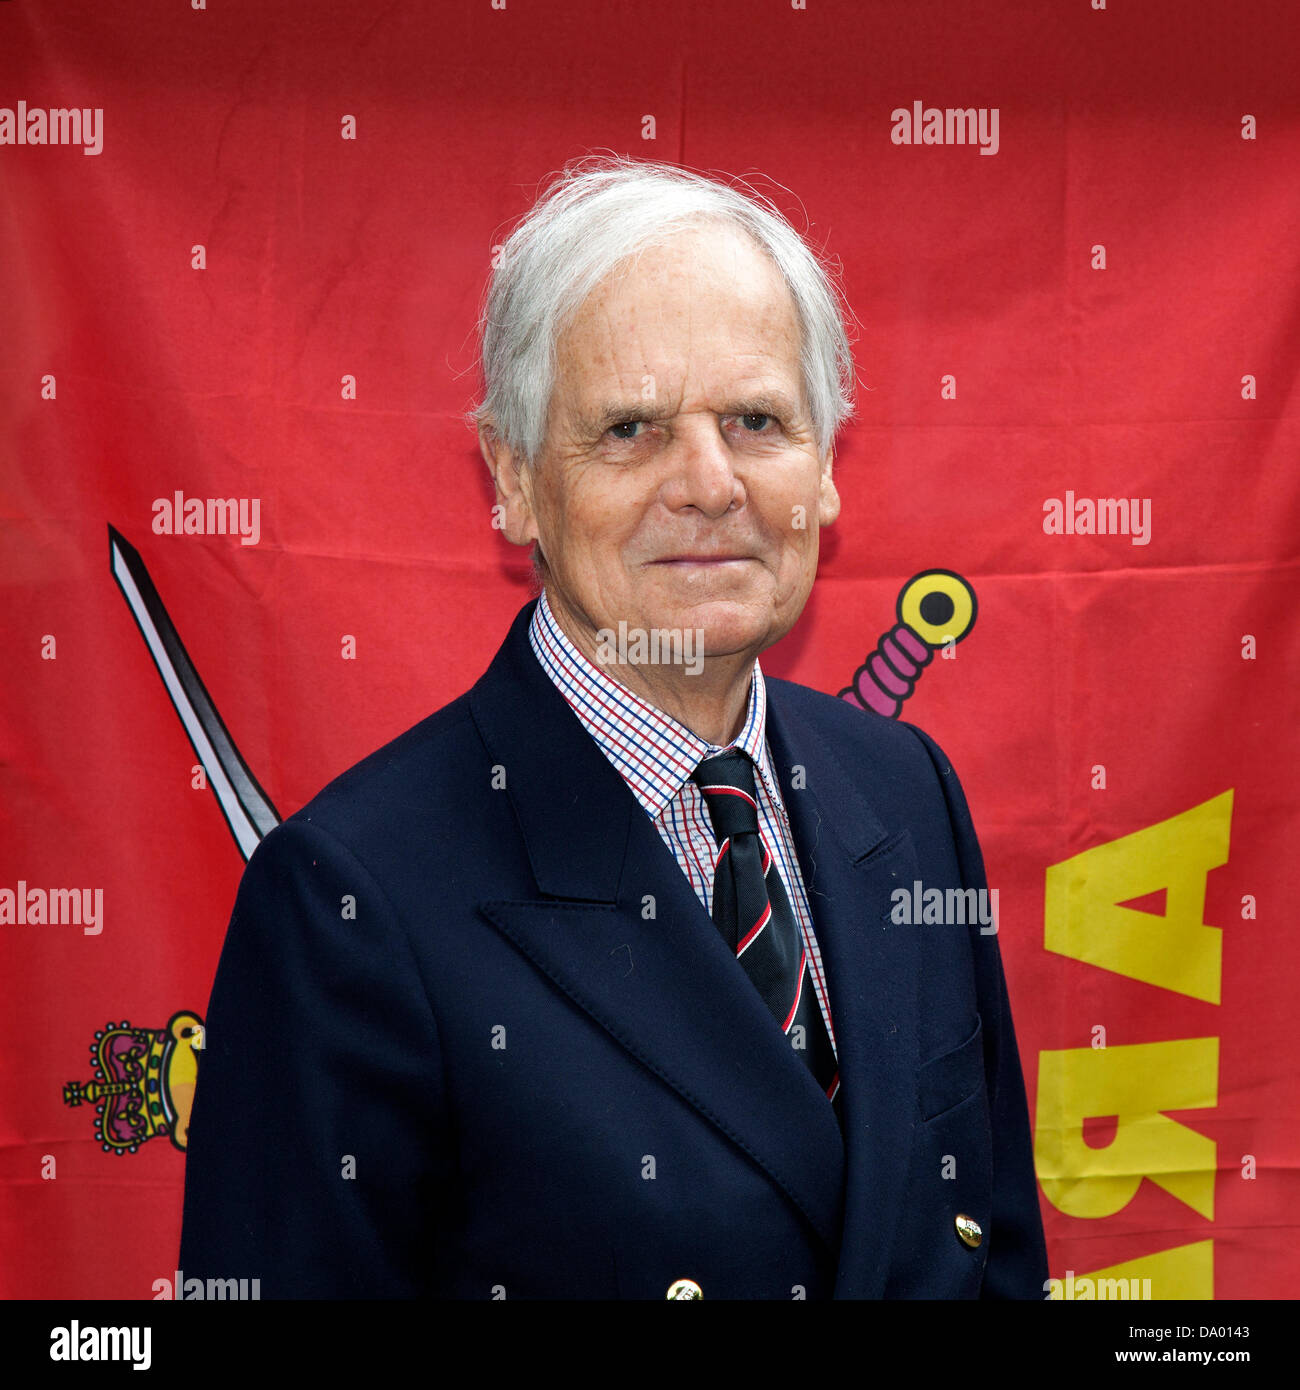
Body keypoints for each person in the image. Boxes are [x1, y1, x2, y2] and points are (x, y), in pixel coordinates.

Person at [179, 155, 1048, 1299]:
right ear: (515, 479)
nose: (707, 482)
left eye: (756, 421)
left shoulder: (906, 792)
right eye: (631, 428)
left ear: (825, 466)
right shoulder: (351, 901)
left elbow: (988, 1256)